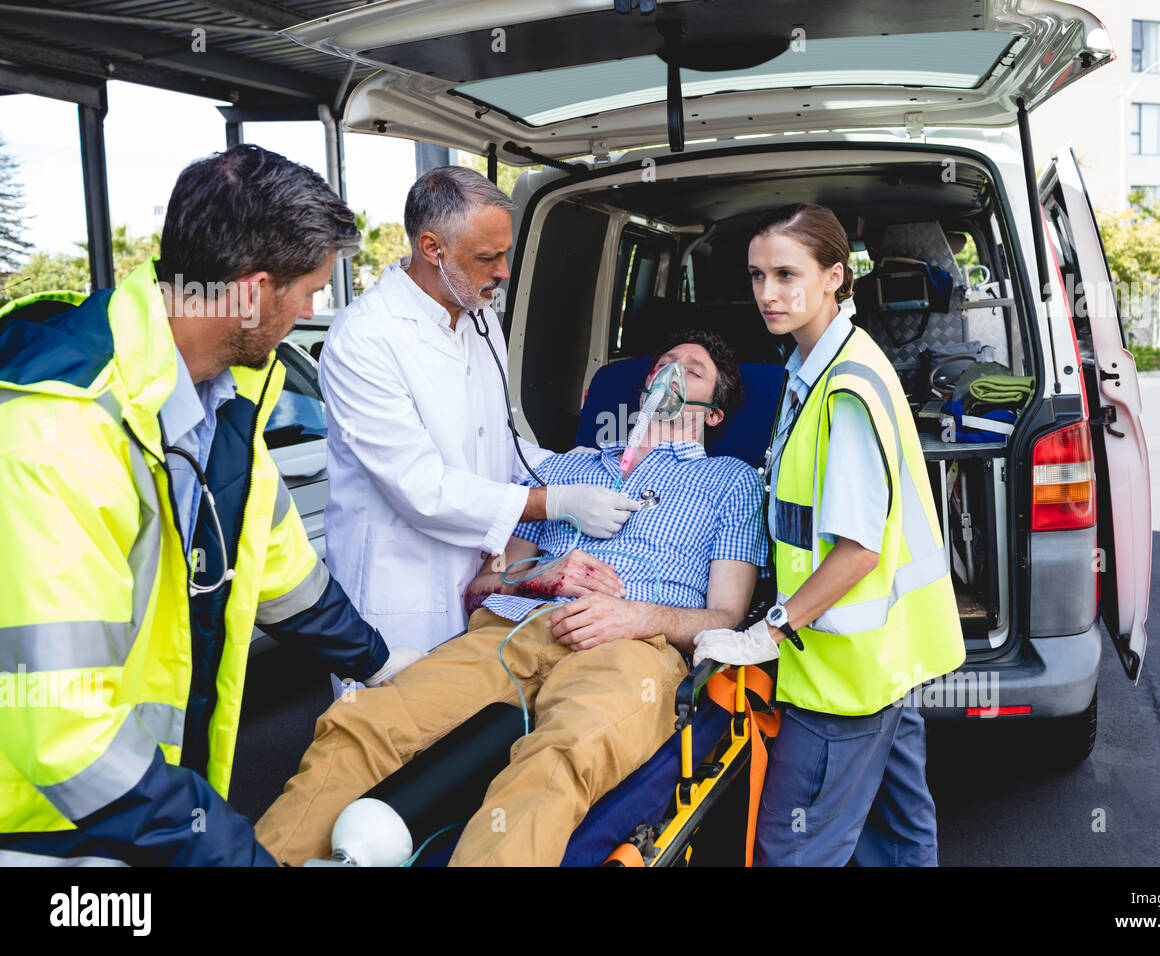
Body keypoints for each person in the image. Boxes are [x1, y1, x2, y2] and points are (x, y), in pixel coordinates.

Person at [0, 145, 419, 866]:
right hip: (43, 828)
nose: (311, 312)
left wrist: (377, 661)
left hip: (141, 802)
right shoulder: (58, 439)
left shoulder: (224, 401)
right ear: (252, 293)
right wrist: (227, 851)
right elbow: (65, 735)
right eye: (309, 291)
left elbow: (283, 573)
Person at [255, 330, 767, 866]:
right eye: (665, 363)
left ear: (714, 413)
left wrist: (635, 617)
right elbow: (485, 584)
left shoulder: (731, 483)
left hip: (631, 649)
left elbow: (727, 617)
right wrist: (544, 574)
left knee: (558, 757)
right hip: (513, 631)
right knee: (364, 723)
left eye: (693, 370)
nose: (673, 374)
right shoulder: (564, 471)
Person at [693, 202, 966, 867]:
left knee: (793, 847)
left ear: (834, 277)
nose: (768, 293)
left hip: (841, 673)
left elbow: (858, 551)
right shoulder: (825, 362)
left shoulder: (843, 388)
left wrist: (768, 631)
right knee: (898, 838)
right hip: (883, 660)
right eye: (757, 276)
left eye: (787, 275)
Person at [317, 166, 636, 660]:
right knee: (399, 706)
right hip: (402, 591)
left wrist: (579, 469)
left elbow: (496, 441)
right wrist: (553, 502)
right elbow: (421, 488)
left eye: (505, 253)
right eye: (488, 257)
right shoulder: (364, 338)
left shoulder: (480, 316)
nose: (504, 271)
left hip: (481, 577)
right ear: (432, 248)